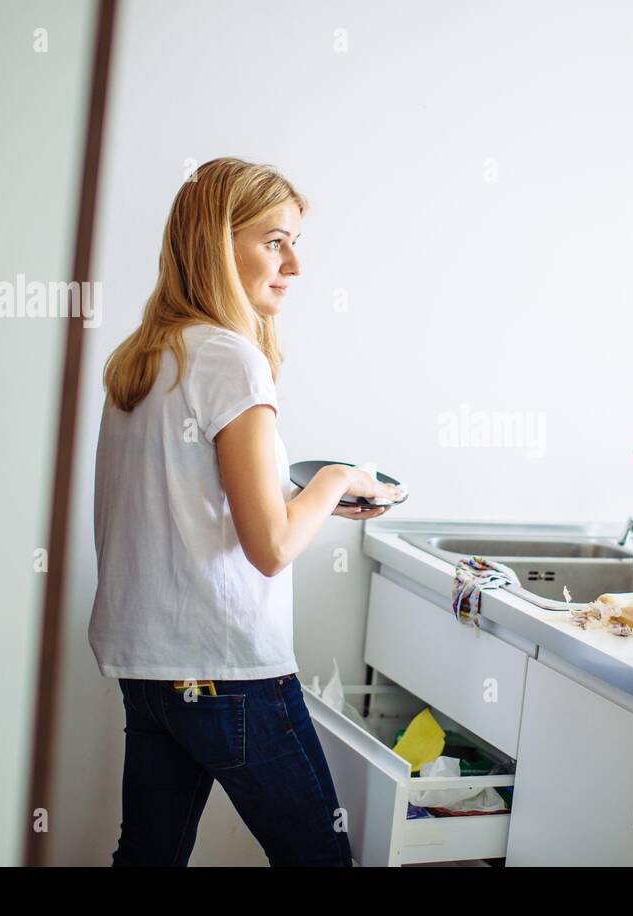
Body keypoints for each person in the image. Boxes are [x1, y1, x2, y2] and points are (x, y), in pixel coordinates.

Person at [88, 157, 404, 866]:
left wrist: (305, 498)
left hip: (153, 668)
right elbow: (271, 548)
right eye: (274, 241)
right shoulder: (231, 359)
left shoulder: (142, 358)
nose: (293, 264)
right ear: (215, 245)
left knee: (147, 856)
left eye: (294, 243)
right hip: (230, 673)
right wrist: (333, 479)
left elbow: (185, 508)